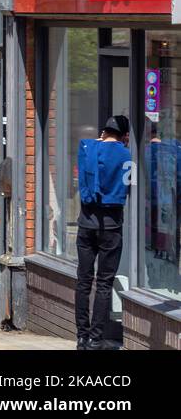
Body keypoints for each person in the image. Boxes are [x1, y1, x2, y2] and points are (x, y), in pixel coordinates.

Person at [75, 115, 132, 350]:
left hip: (86, 224)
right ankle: (96, 340)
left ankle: (81, 336)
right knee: (104, 284)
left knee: (84, 281)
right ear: (125, 136)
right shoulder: (126, 155)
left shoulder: (88, 148)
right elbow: (128, 187)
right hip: (111, 226)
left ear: (104, 131)